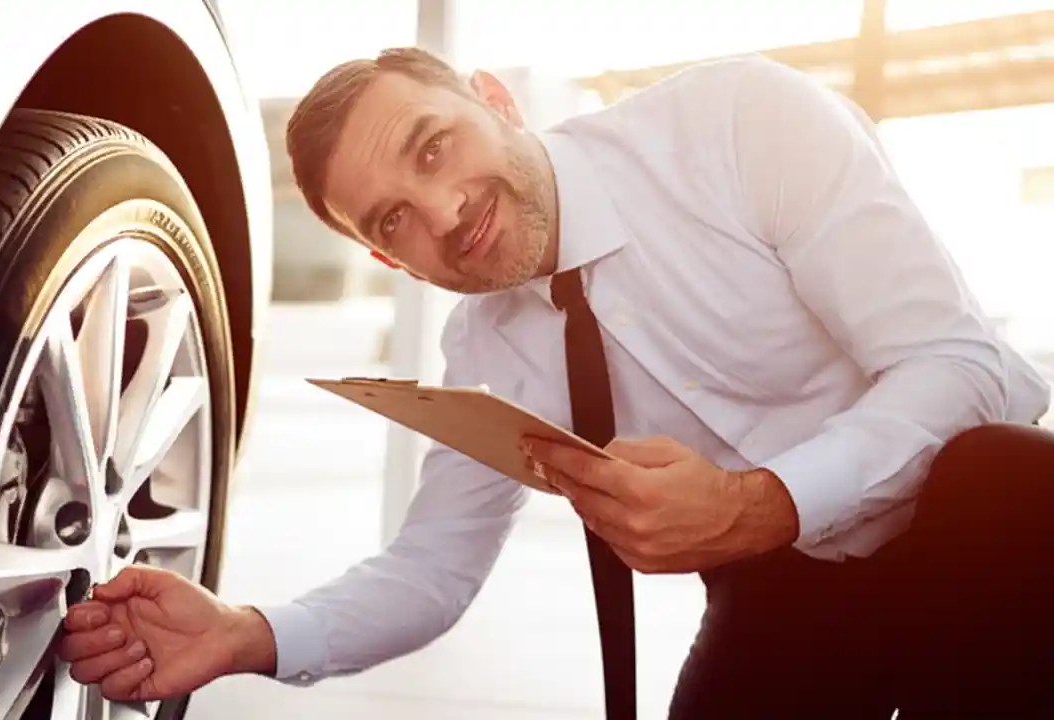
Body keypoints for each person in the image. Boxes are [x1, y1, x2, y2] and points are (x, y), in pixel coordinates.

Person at [57, 48, 1054, 717]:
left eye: (433, 146)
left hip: (980, 539)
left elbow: (961, 369)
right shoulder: (487, 350)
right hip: (784, 595)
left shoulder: (740, 124)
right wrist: (245, 633)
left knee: (999, 473)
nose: (443, 211)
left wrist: (760, 504)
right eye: (392, 221)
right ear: (390, 262)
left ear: (496, 99)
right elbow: (431, 569)